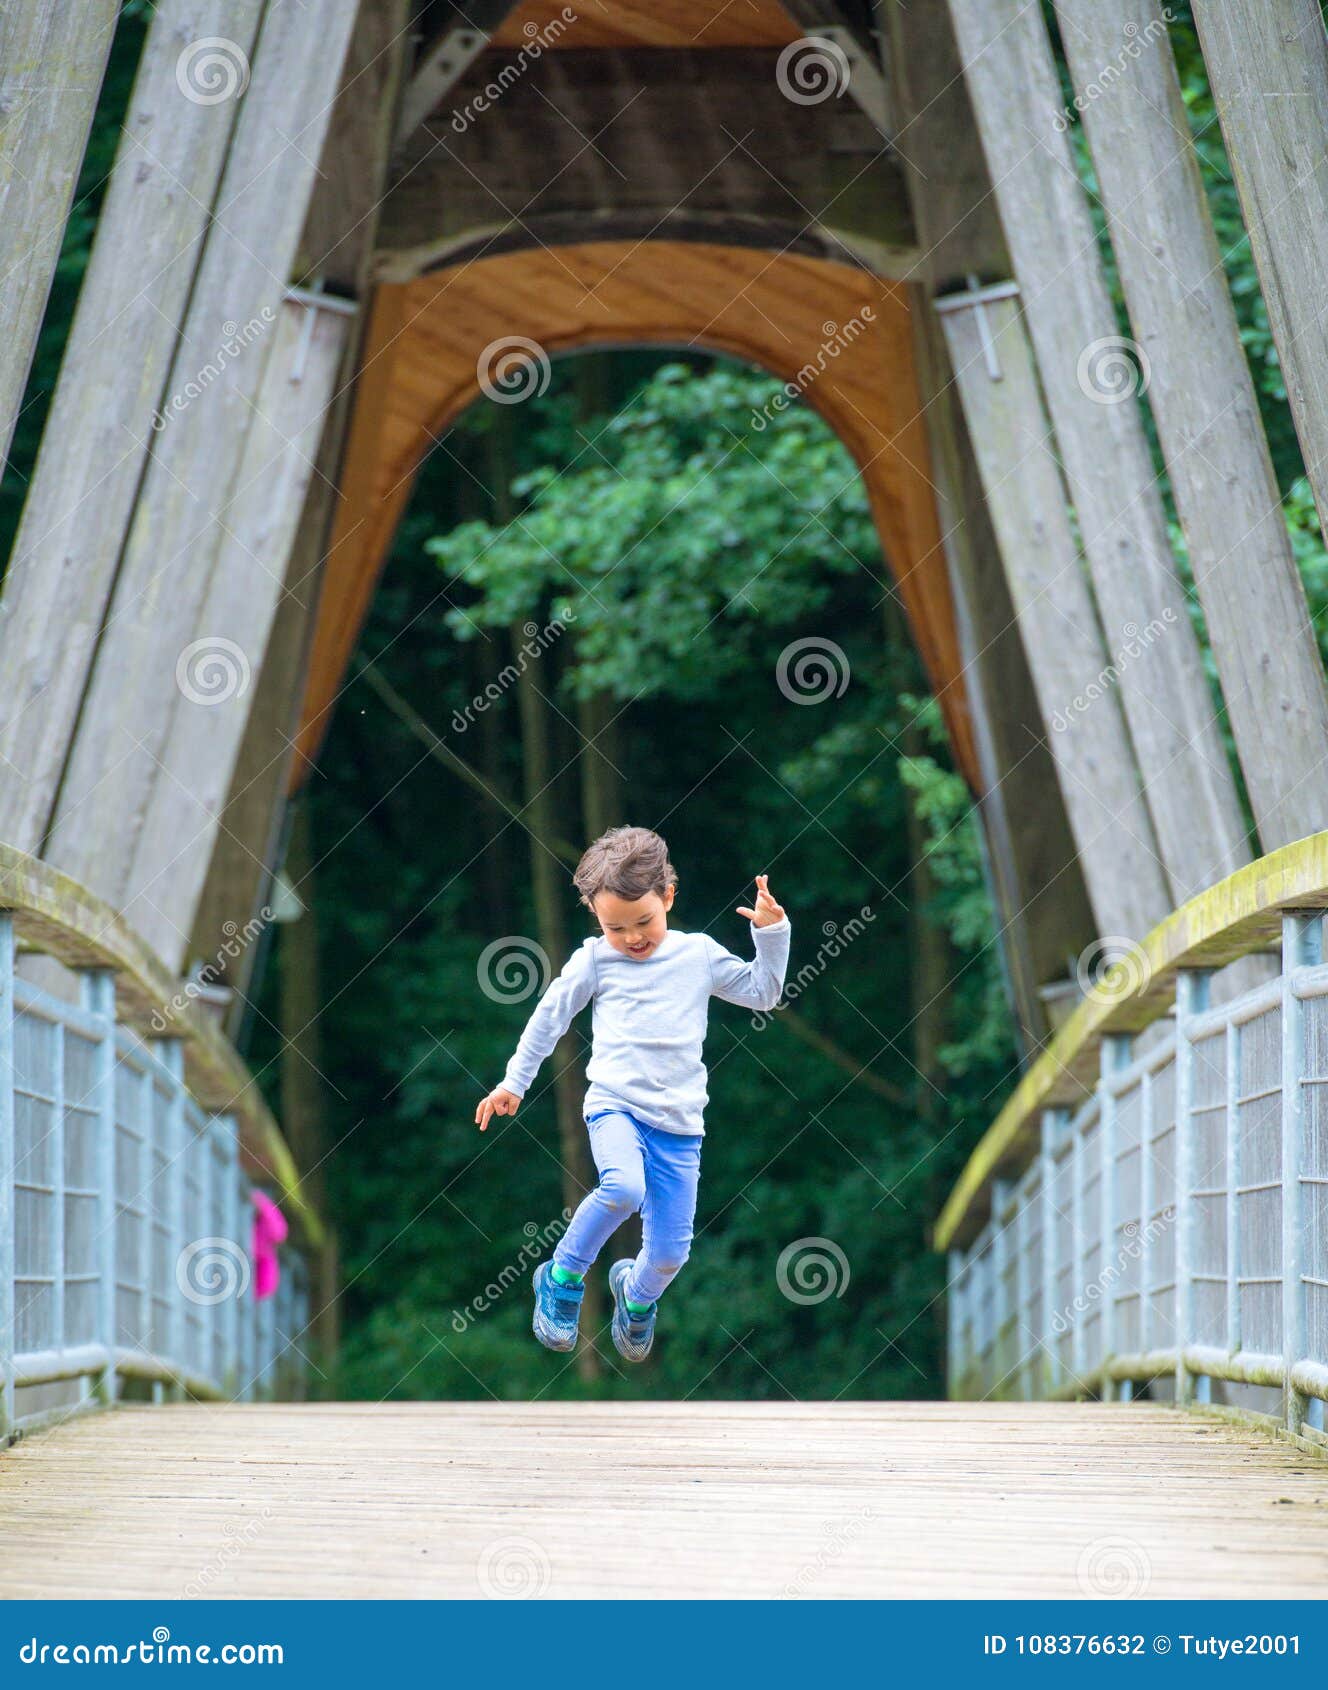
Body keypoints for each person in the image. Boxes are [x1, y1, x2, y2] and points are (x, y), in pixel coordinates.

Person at [475, 825, 791, 1362]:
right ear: (597, 921)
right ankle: (561, 1277)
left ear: (669, 896)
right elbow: (550, 1017)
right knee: (622, 1189)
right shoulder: (596, 960)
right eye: (615, 927)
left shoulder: (698, 955)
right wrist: (514, 1082)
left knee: (669, 1254)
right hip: (615, 1105)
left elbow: (763, 993)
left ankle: (636, 1296)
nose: (633, 938)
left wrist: (773, 933)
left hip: (681, 1125)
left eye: (643, 921)